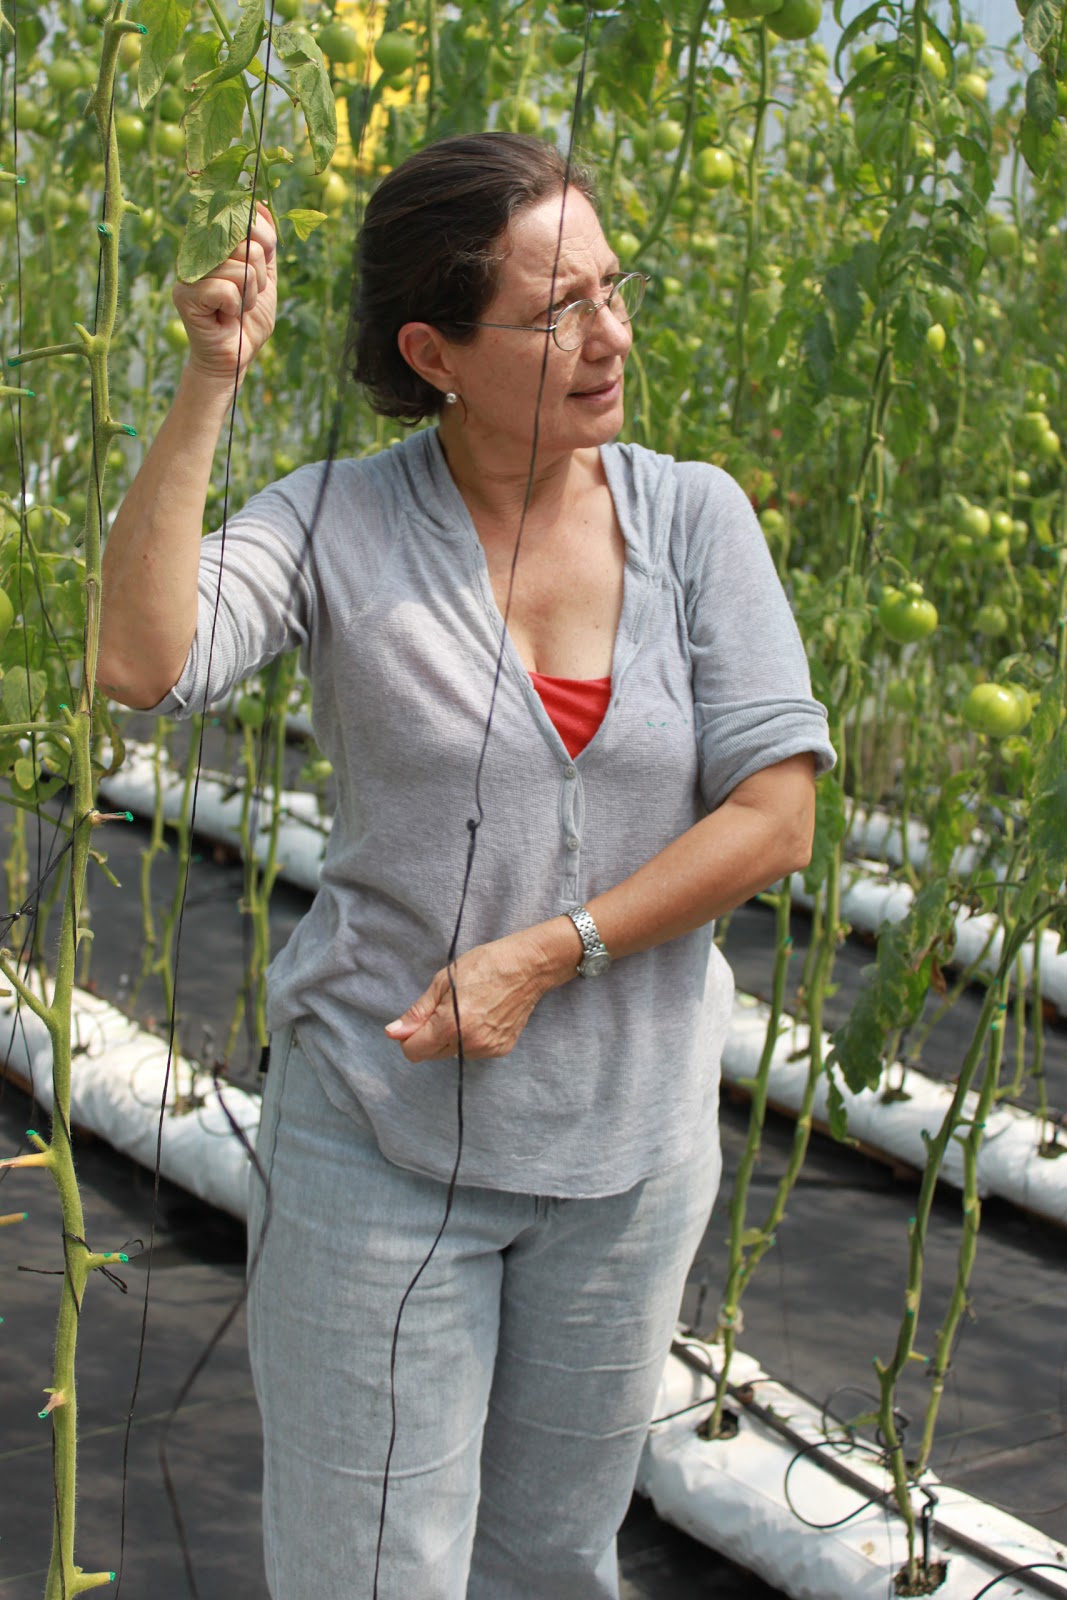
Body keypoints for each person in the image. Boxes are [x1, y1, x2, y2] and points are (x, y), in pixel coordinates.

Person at [99, 133, 835, 1600]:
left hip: (629, 1155)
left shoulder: (693, 518)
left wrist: (551, 952)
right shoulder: (335, 521)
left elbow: (777, 815)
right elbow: (142, 662)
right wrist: (209, 384)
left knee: (554, 1563)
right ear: (434, 353)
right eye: (558, 311)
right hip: (381, 1141)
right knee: (372, 1571)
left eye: (613, 289)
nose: (611, 336)